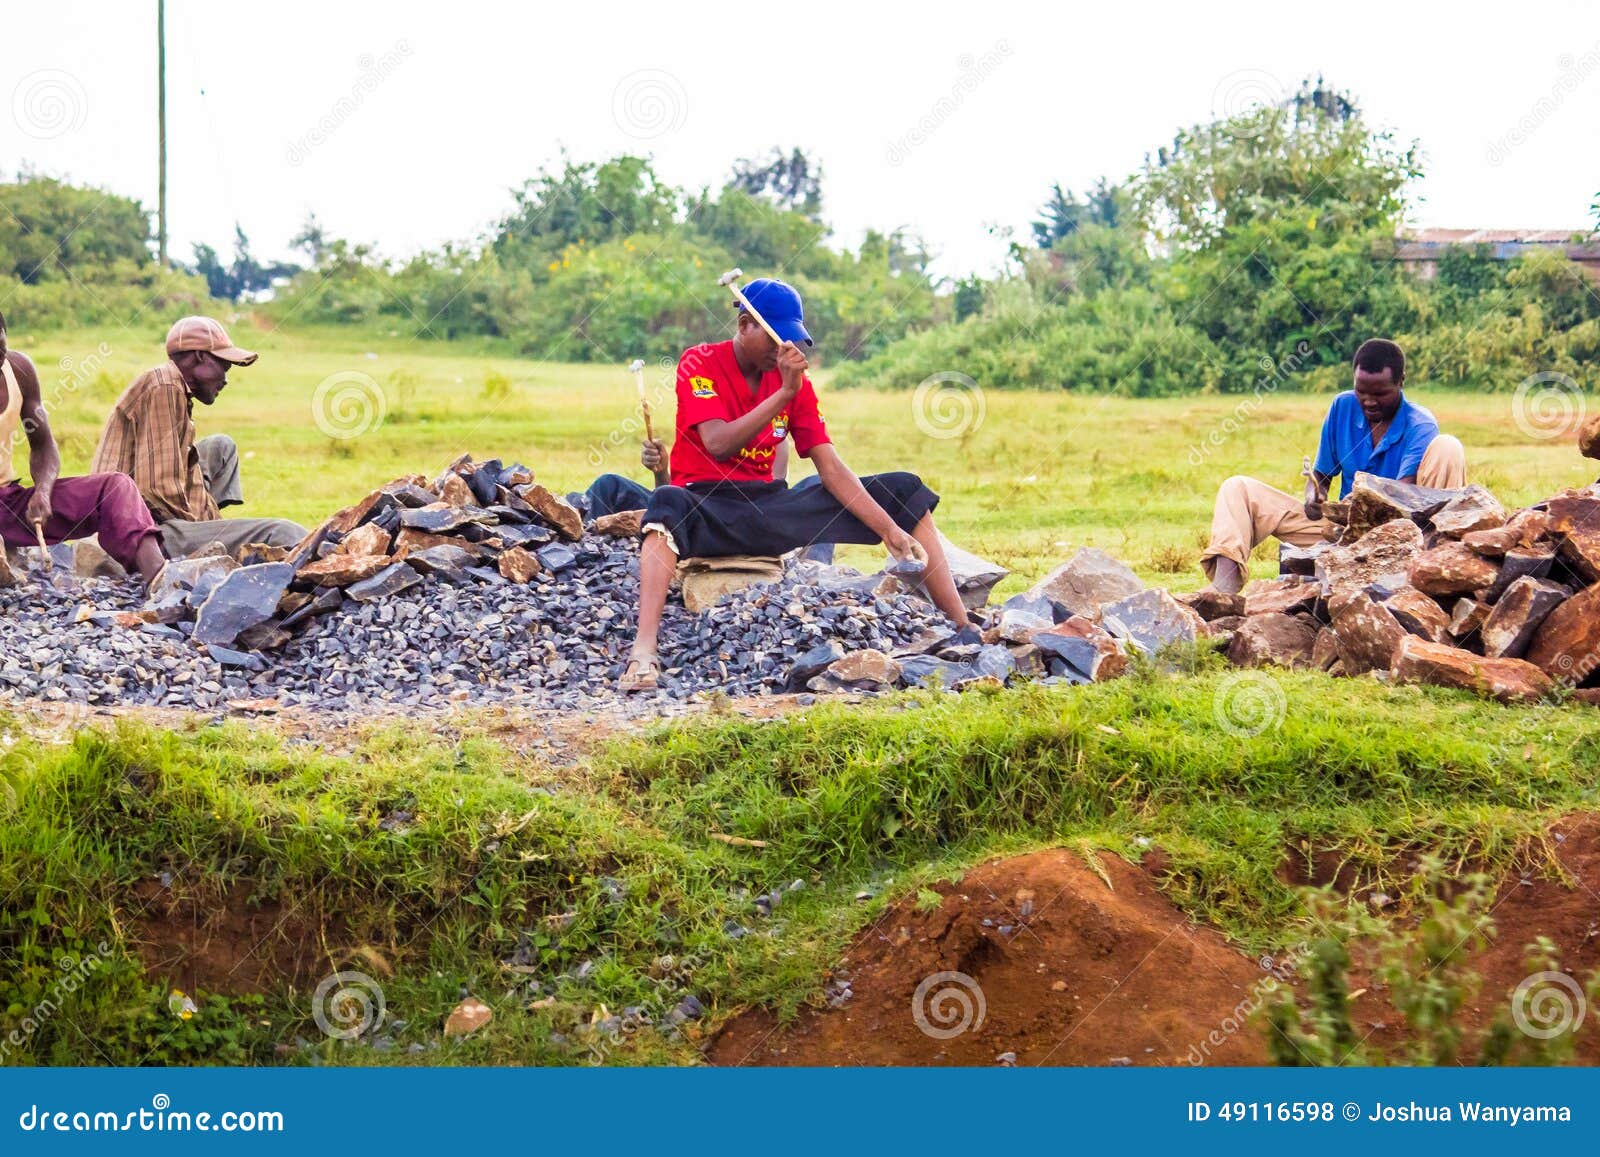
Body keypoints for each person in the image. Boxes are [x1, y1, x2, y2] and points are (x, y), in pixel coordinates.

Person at [618, 278, 969, 691]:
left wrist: (888, 529)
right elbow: (718, 444)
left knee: (902, 489)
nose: (785, 350)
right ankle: (644, 650)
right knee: (665, 502)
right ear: (745, 324)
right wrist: (784, 394)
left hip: (769, 509)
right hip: (706, 506)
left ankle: (963, 627)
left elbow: (831, 468)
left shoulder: (794, 384)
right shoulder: (700, 362)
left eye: (793, 340)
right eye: (774, 339)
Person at [1200, 338, 1466, 594]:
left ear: (1401, 382)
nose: (1369, 401)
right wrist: (1313, 496)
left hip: (1401, 539)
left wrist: (1362, 499)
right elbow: (1321, 475)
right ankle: (1224, 588)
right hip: (1341, 533)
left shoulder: (1419, 424)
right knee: (1237, 489)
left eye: (1380, 393)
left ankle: (1434, 569)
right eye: (1361, 392)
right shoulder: (1342, 406)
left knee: (1448, 446)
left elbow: (1404, 494)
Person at [91, 317, 307, 558]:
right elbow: (156, 490)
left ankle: (206, 530)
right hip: (142, 533)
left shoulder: (171, 385)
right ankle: (205, 540)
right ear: (200, 357)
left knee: (221, 447)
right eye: (223, 367)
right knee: (283, 532)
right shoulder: (164, 386)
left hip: (148, 519)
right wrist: (211, 533)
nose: (225, 380)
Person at [0, 310, 166, 586]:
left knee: (115, 487)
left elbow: (42, 446)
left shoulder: (19, 371)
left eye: (0, 348)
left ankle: (161, 582)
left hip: (8, 503)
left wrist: (42, 491)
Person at [583, 435, 836, 563]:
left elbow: (768, 500)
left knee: (819, 485)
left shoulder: (773, 438)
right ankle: (586, 561)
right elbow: (674, 504)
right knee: (609, 485)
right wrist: (662, 472)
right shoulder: (708, 429)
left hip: (750, 522)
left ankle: (815, 572)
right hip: (697, 521)